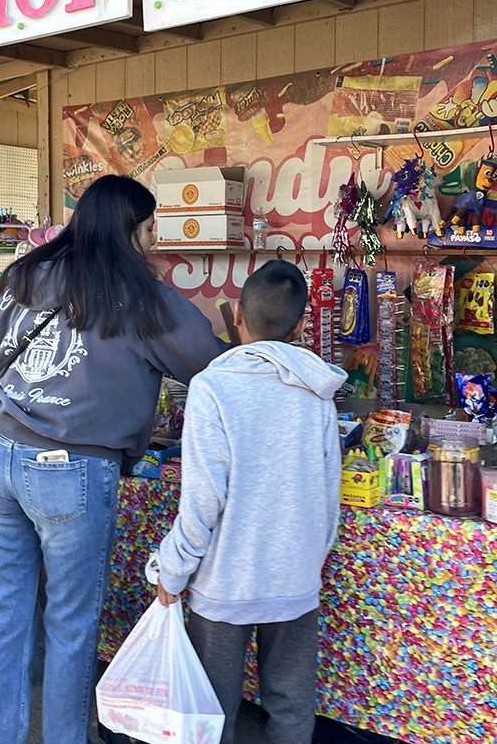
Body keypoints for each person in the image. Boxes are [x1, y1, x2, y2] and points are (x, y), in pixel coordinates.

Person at [0, 175, 227, 744]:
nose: (155, 239)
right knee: (70, 628)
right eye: (152, 227)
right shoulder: (143, 298)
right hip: (71, 472)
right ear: (132, 232)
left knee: (2, 616)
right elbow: (213, 368)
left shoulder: (28, 273)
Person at [156, 260, 346, 744]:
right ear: (302, 324)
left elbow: (202, 501)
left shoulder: (213, 389)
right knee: (291, 706)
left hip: (224, 584)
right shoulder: (318, 392)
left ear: (236, 315)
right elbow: (329, 497)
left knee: (211, 711)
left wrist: (172, 574)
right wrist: (308, 563)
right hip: (294, 580)